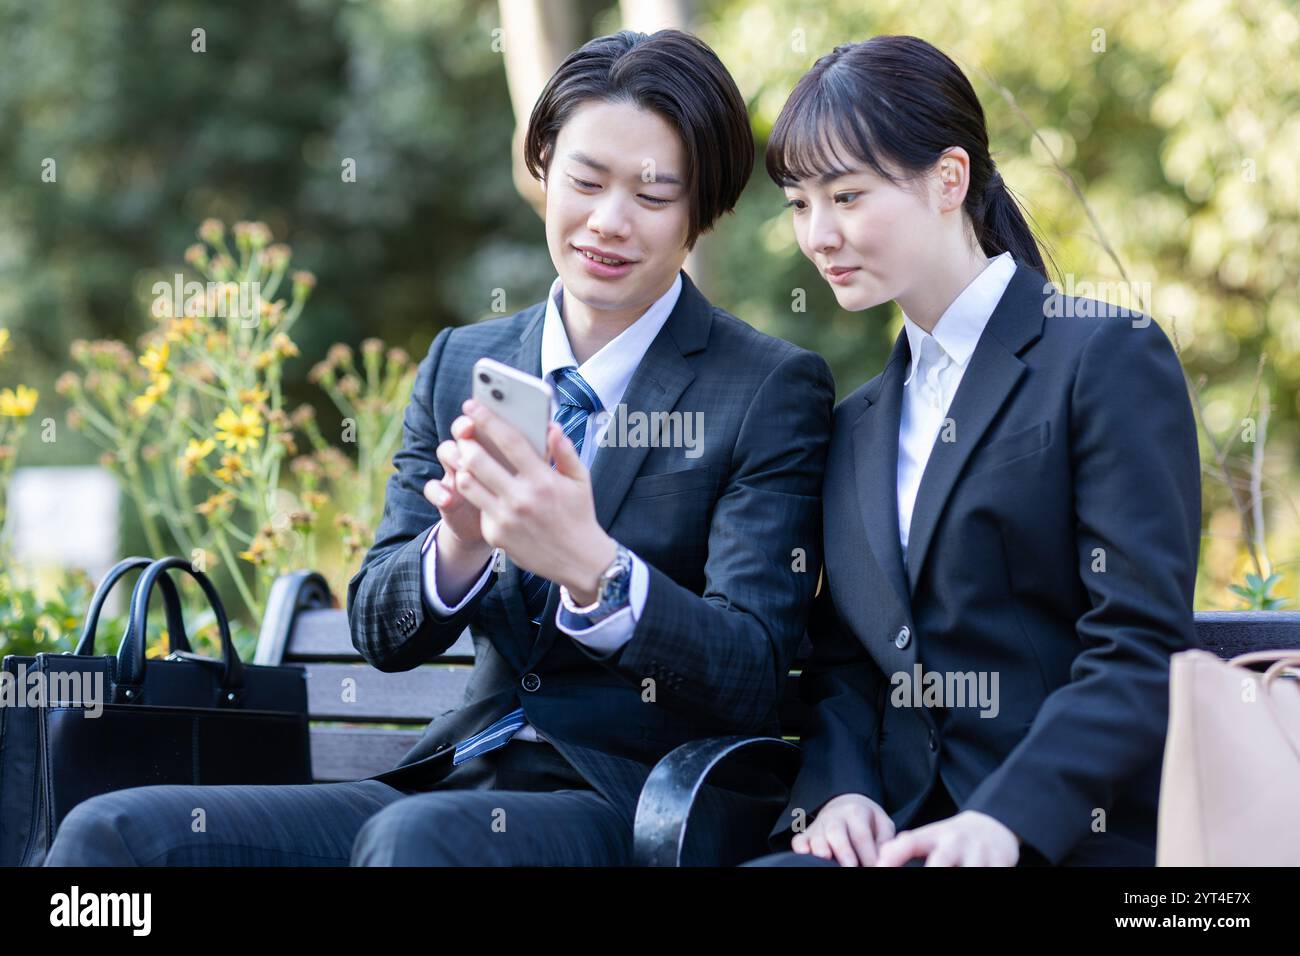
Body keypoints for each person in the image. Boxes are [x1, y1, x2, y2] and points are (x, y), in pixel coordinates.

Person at [44, 29, 833, 867]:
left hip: (636, 803)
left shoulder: (766, 388)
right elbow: (381, 631)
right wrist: (455, 544)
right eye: (586, 180)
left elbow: (754, 670)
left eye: (653, 193)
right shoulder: (464, 360)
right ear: (543, 172)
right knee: (114, 834)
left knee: (415, 841)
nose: (608, 221)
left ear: (700, 211)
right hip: (453, 774)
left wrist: (593, 568)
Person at [746, 35, 1200, 867]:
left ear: (948, 179)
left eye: (845, 196)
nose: (818, 234)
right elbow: (846, 660)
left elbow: (1137, 644)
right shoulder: (855, 424)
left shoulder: (1103, 357)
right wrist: (840, 790)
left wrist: (1007, 821)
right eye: (798, 204)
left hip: (1066, 841)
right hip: (897, 841)